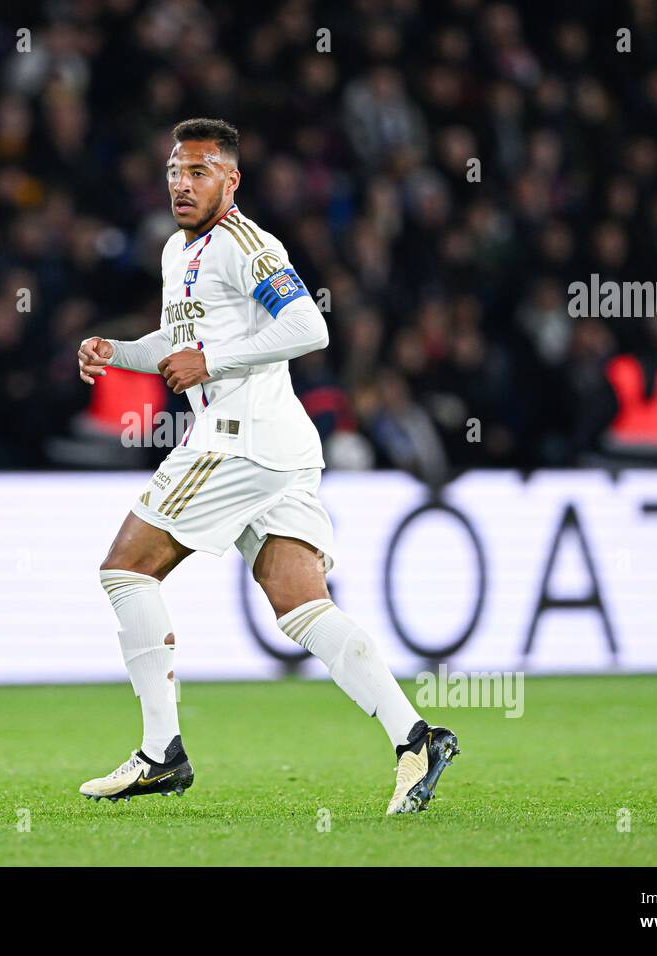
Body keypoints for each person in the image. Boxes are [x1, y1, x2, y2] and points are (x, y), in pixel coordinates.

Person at [75, 119, 459, 814]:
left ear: (232, 179)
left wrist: (213, 363)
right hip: (276, 445)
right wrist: (117, 350)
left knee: (126, 569)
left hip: (236, 439)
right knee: (302, 604)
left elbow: (310, 326)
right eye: (173, 172)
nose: (181, 185)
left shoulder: (248, 244)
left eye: (198, 172)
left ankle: (162, 752)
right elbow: (181, 341)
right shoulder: (176, 251)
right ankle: (415, 737)